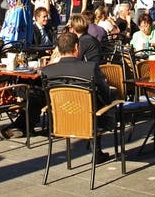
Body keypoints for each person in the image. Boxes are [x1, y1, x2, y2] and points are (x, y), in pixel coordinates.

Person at [42, 29, 114, 163]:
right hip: (88, 120)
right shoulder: (89, 68)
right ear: (76, 47)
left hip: (61, 121)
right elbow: (104, 91)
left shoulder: (47, 71)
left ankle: (97, 151)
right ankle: (97, 152)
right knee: (104, 103)